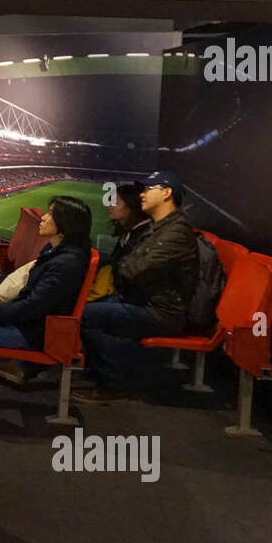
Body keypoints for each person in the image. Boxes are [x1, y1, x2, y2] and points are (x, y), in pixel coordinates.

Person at [0, 195, 93, 430]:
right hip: (29, 322)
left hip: (36, 331)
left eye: (51, 213)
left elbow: (34, 306)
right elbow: (20, 285)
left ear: (66, 224)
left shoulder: (67, 263)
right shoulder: (55, 251)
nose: (43, 217)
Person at [73, 170, 198, 402]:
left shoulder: (176, 232)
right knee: (84, 308)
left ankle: (113, 384)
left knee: (87, 316)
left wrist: (124, 268)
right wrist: (125, 267)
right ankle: (102, 373)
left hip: (159, 312)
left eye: (149, 189)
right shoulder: (159, 227)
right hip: (143, 301)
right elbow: (131, 265)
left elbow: (134, 270)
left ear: (167, 193)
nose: (142, 194)